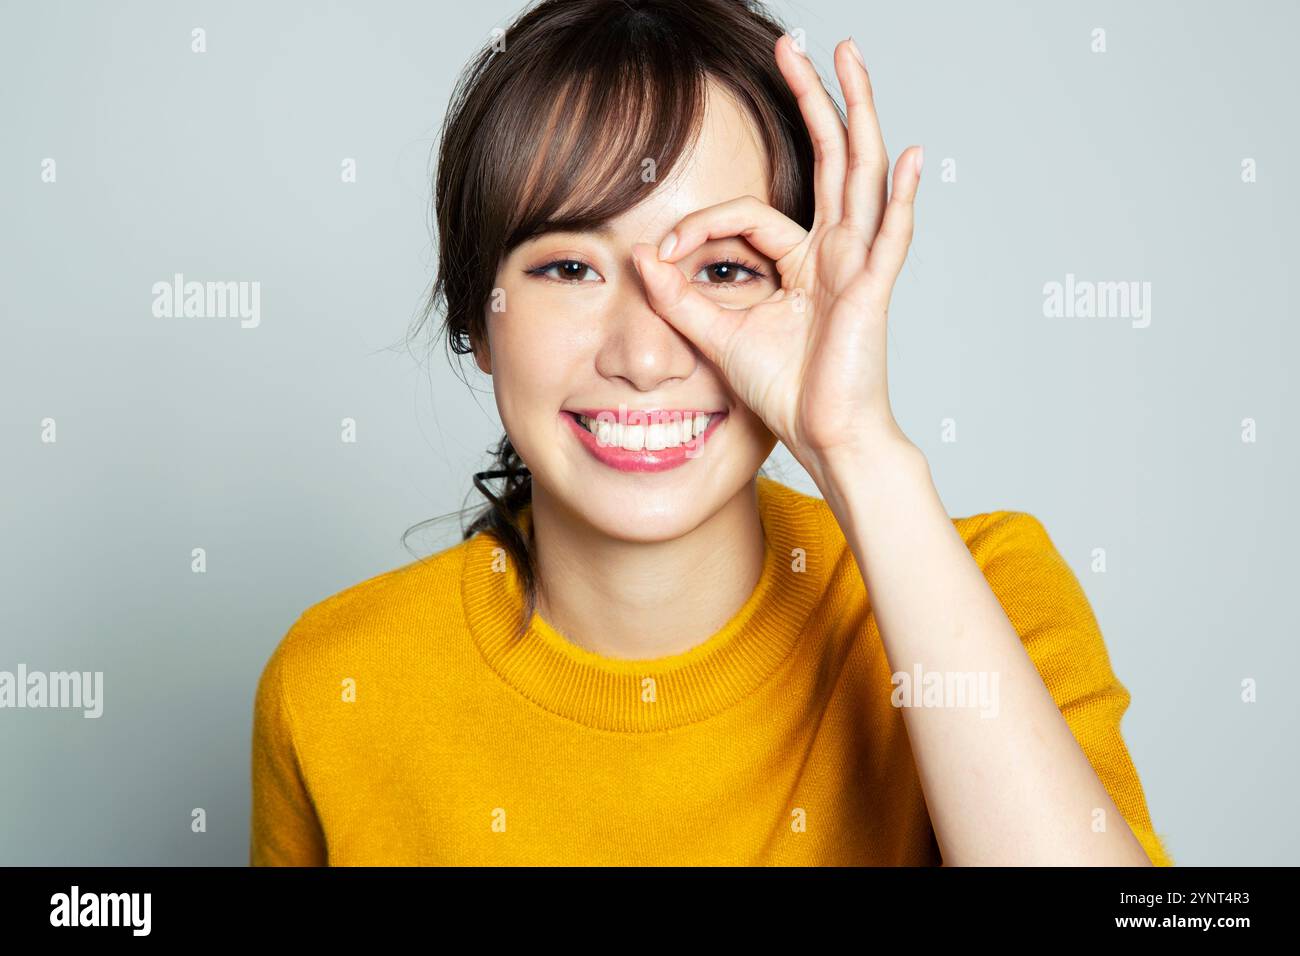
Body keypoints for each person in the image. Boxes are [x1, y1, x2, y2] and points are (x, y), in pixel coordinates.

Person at [251, 0, 1172, 866]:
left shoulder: (982, 596)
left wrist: (853, 445)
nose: (644, 355)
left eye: (724, 268)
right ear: (475, 318)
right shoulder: (335, 682)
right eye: (569, 266)